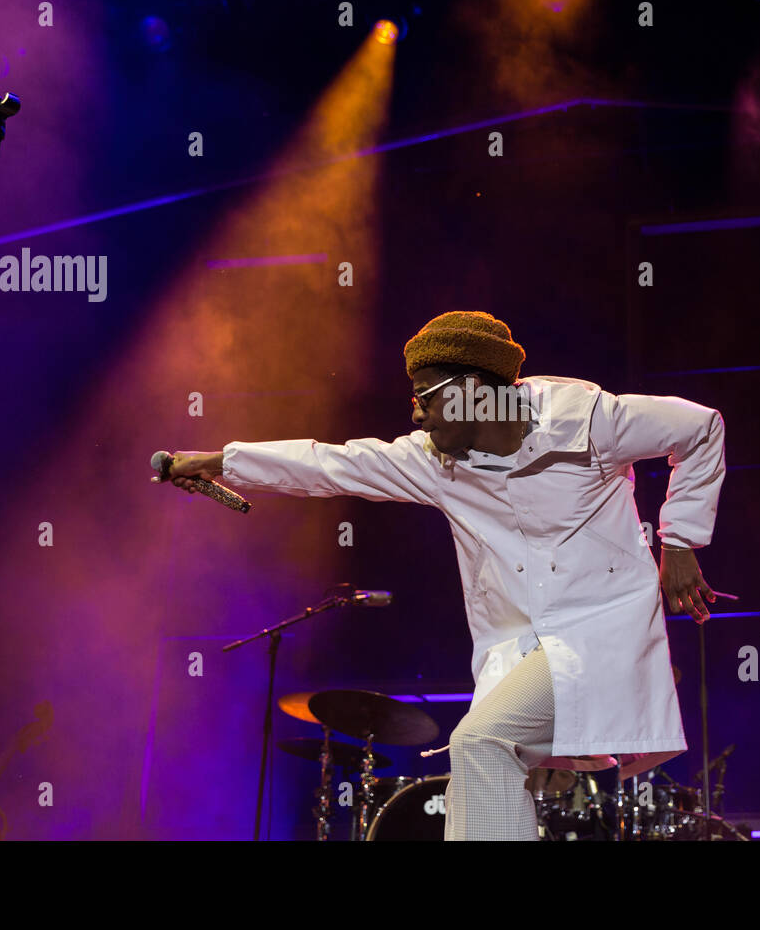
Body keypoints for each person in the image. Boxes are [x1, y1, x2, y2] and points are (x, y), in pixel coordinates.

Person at [166, 310, 728, 840]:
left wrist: (679, 543)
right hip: (526, 649)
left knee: (481, 741)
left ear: (474, 392)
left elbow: (699, 428)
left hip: (600, 633)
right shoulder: (434, 462)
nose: (416, 413)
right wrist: (219, 461)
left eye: (427, 397)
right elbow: (329, 463)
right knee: (476, 776)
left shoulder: (586, 422)